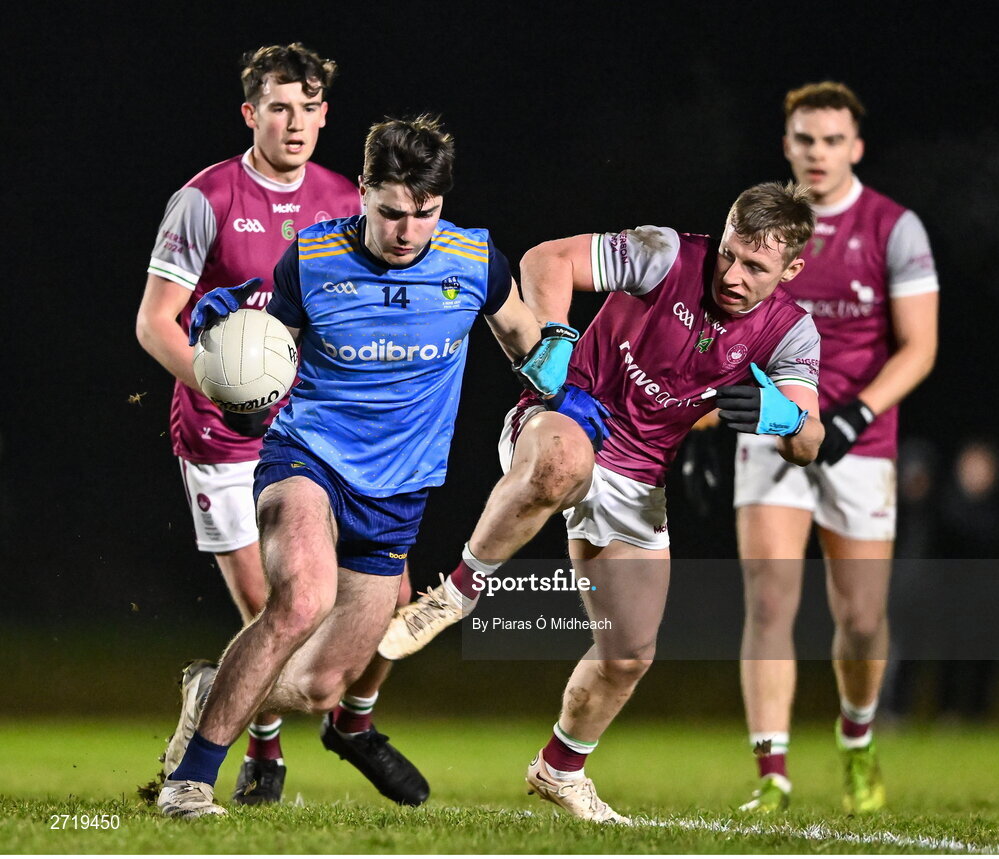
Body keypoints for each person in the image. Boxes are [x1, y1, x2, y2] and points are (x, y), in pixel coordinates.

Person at [155, 115, 561, 819]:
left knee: (320, 687)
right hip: (307, 460)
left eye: (425, 214)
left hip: (397, 493)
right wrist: (228, 350)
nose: (408, 231)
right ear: (364, 192)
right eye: (392, 212)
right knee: (301, 599)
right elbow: (262, 380)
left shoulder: (474, 261)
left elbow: (535, 352)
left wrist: (584, 399)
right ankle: (189, 783)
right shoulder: (311, 260)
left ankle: (210, 690)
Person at [379, 182, 824, 822]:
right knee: (565, 462)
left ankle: (560, 770)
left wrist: (785, 418)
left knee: (629, 654)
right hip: (569, 417)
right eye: (729, 253)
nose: (731, 274)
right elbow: (545, 259)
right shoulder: (665, 255)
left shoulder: (791, 331)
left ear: (791, 270)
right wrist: (555, 338)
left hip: (640, 476)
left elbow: (810, 440)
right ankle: (457, 592)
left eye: (755, 266)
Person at [136, 43, 423, 807]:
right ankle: (261, 750)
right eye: (279, 108)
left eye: (309, 108)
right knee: (273, 608)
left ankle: (343, 720)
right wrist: (223, 382)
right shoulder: (204, 199)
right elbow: (154, 322)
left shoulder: (344, 198)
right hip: (222, 438)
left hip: (313, 435)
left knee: (387, 596)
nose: (295, 123)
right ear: (250, 113)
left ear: (326, 116)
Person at [729, 81, 939, 814]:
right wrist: (698, 429)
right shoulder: (761, 226)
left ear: (856, 147)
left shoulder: (894, 228)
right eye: (805, 139)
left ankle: (857, 736)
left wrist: (853, 417)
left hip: (862, 441)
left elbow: (919, 347)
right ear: (786, 145)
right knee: (769, 599)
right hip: (772, 433)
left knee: (861, 619)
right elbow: (720, 329)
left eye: (832, 140)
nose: (818, 153)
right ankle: (773, 774)